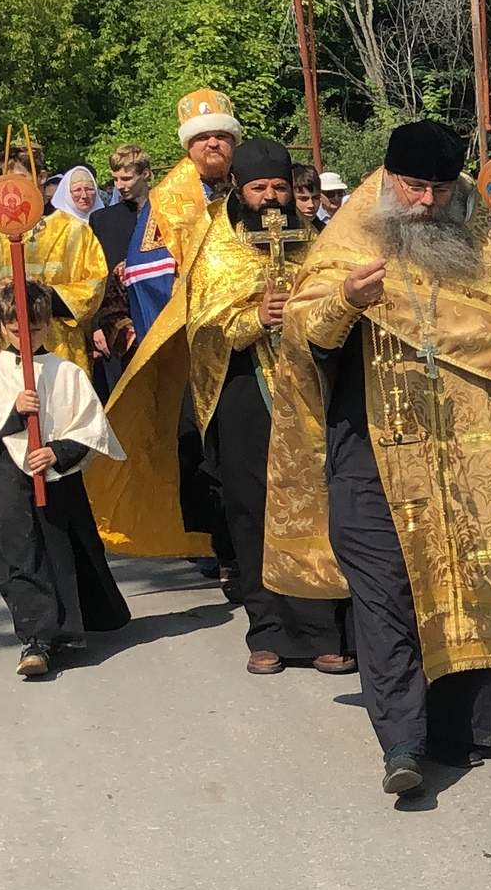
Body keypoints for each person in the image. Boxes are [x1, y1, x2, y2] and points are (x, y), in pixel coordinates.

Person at [270, 120, 491, 795]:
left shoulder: (475, 228)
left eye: (439, 189)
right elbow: (303, 335)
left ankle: (460, 727)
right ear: (388, 178)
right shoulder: (351, 233)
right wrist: (345, 302)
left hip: (465, 447)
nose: (425, 202)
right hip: (371, 446)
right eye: (414, 186)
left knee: (464, 576)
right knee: (385, 593)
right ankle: (403, 744)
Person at [86, 90, 263, 576]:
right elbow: (146, 272)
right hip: (194, 346)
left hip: (258, 339)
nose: (213, 146)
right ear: (188, 146)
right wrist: (208, 303)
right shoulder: (167, 199)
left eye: (221, 137)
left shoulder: (253, 185)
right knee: (204, 452)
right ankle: (221, 548)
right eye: (203, 138)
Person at [201, 136, 351, 675]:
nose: (270, 198)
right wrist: (252, 318)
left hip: (310, 389)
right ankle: (266, 631)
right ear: (239, 190)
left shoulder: (320, 243)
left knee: (319, 503)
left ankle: (324, 631)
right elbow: (201, 329)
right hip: (245, 391)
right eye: (259, 187)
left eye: (279, 187)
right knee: (251, 508)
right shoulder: (218, 248)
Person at [0, 280, 130, 678]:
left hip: (55, 474)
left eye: (35, 328)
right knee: (19, 547)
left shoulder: (65, 372)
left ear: (48, 325)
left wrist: (59, 450)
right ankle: (35, 637)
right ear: (1, 327)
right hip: (6, 473)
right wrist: (11, 410)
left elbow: (91, 426)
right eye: (16, 330)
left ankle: (65, 627)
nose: (26, 336)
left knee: (58, 543)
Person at [0, 164, 109, 369]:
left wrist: (42, 295)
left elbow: (94, 283)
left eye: (22, 177)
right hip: (12, 346)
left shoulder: (74, 230)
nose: (15, 186)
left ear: (41, 176)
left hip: (61, 346)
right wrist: (1, 293)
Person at [85, 146, 154, 396]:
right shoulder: (102, 220)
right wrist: (95, 325)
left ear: (146, 174)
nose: (120, 185)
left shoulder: (166, 214)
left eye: (126, 178)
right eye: (115, 179)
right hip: (117, 325)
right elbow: (95, 275)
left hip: (159, 316)